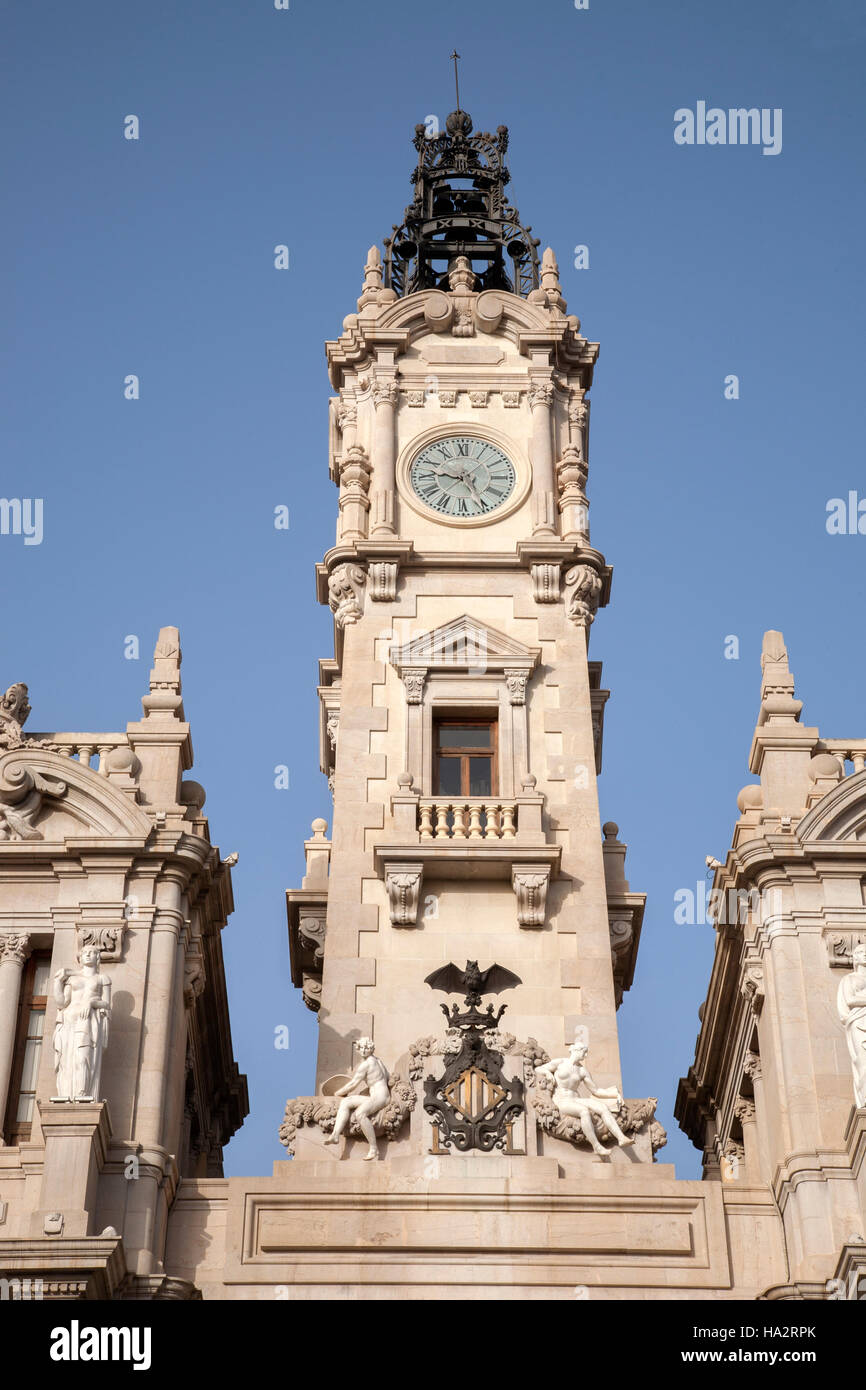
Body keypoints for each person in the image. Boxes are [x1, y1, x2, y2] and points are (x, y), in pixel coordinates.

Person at [535, 1036, 633, 1157]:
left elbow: (595, 1090)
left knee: (602, 1107)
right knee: (584, 1111)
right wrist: (548, 1073)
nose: (585, 1055)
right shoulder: (561, 1063)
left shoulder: (582, 1071)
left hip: (575, 1099)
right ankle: (596, 1146)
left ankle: (621, 1137)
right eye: (584, 1052)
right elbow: (539, 1068)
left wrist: (613, 1094)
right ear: (576, 1050)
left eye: (586, 1052)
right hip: (561, 1100)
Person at [52, 945, 111, 1102]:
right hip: (68, 1020)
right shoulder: (73, 979)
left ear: (97, 957)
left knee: (82, 1058)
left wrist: (91, 1002)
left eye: (92, 952)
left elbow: (106, 1003)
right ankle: (66, 1096)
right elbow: (62, 1002)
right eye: (84, 952)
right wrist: (57, 983)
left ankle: (82, 1094)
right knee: (67, 1060)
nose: (88, 955)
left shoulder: (102, 979)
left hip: (87, 1023)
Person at [323, 1037, 390, 1161]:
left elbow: (352, 1084)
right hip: (377, 1096)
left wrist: (337, 1093)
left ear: (370, 1048)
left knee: (360, 1114)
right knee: (345, 1102)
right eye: (361, 1048)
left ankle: (373, 1148)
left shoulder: (366, 1064)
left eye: (366, 1048)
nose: (364, 1050)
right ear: (358, 1050)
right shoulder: (378, 1061)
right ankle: (335, 1134)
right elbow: (387, 1077)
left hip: (381, 1097)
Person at [837, 943, 866, 1109]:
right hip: (858, 1021)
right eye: (861, 952)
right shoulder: (849, 979)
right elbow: (850, 1000)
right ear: (854, 957)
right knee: (863, 1060)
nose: (865, 954)